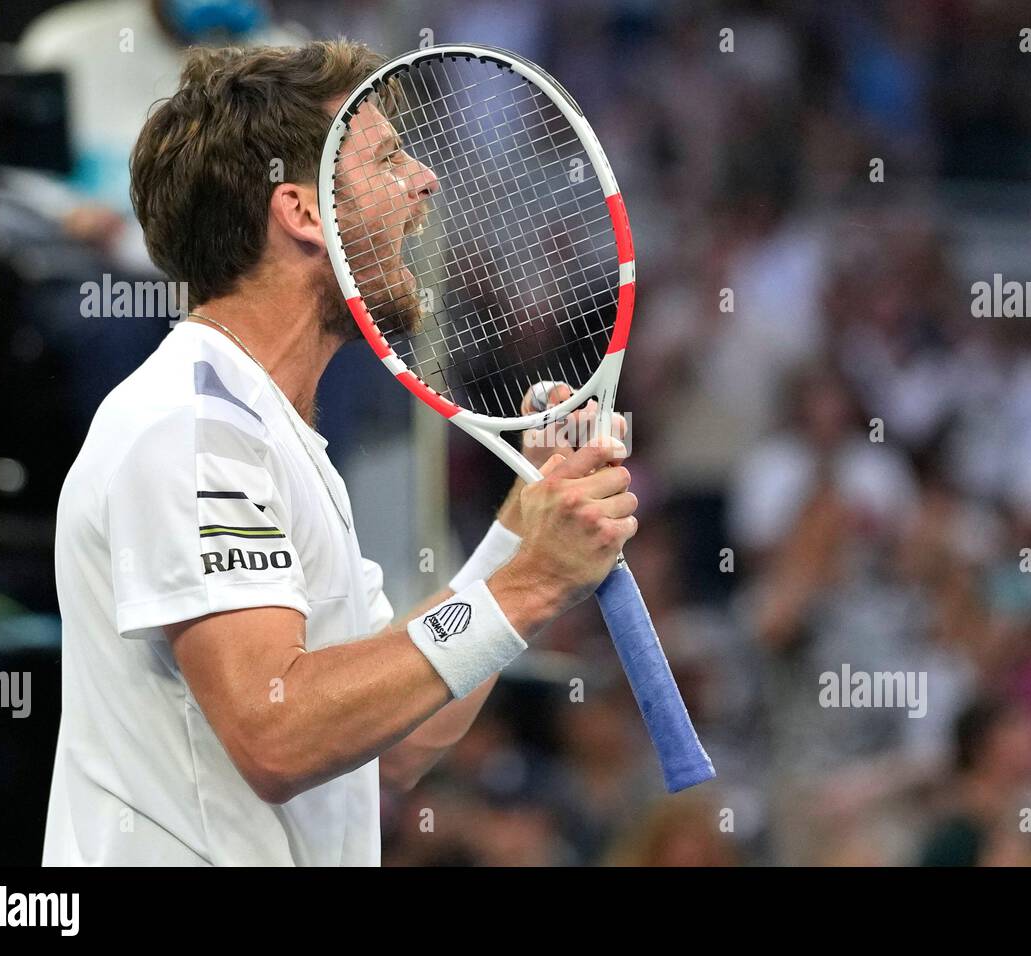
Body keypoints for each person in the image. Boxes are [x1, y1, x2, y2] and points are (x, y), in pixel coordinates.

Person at [42, 40, 639, 866]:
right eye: (389, 158)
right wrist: (529, 581)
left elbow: (401, 738)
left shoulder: (267, 433)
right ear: (303, 213)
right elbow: (279, 734)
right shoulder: (191, 427)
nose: (425, 181)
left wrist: (520, 539)